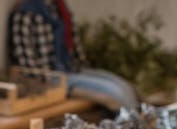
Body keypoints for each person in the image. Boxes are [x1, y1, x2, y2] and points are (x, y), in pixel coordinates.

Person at [8, 0, 139, 111]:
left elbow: (75, 49)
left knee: (124, 86)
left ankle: (140, 123)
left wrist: (82, 67)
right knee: (116, 92)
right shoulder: (25, 14)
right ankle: (134, 128)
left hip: (71, 68)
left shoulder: (59, 8)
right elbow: (28, 67)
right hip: (53, 77)